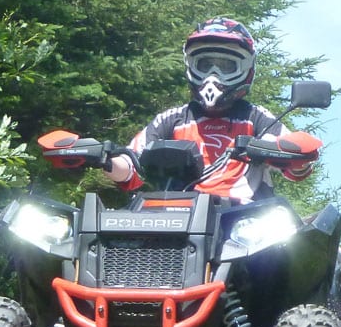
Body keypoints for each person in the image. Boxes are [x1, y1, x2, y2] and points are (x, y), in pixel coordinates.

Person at [105, 17, 318, 203]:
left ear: (246, 67)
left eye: (225, 66)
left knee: (296, 236)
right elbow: (130, 167)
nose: (213, 75)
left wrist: (298, 152)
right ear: (191, 64)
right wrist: (102, 157)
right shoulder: (171, 119)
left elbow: (296, 169)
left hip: (243, 217)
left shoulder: (257, 118)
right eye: (206, 65)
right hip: (177, 215)